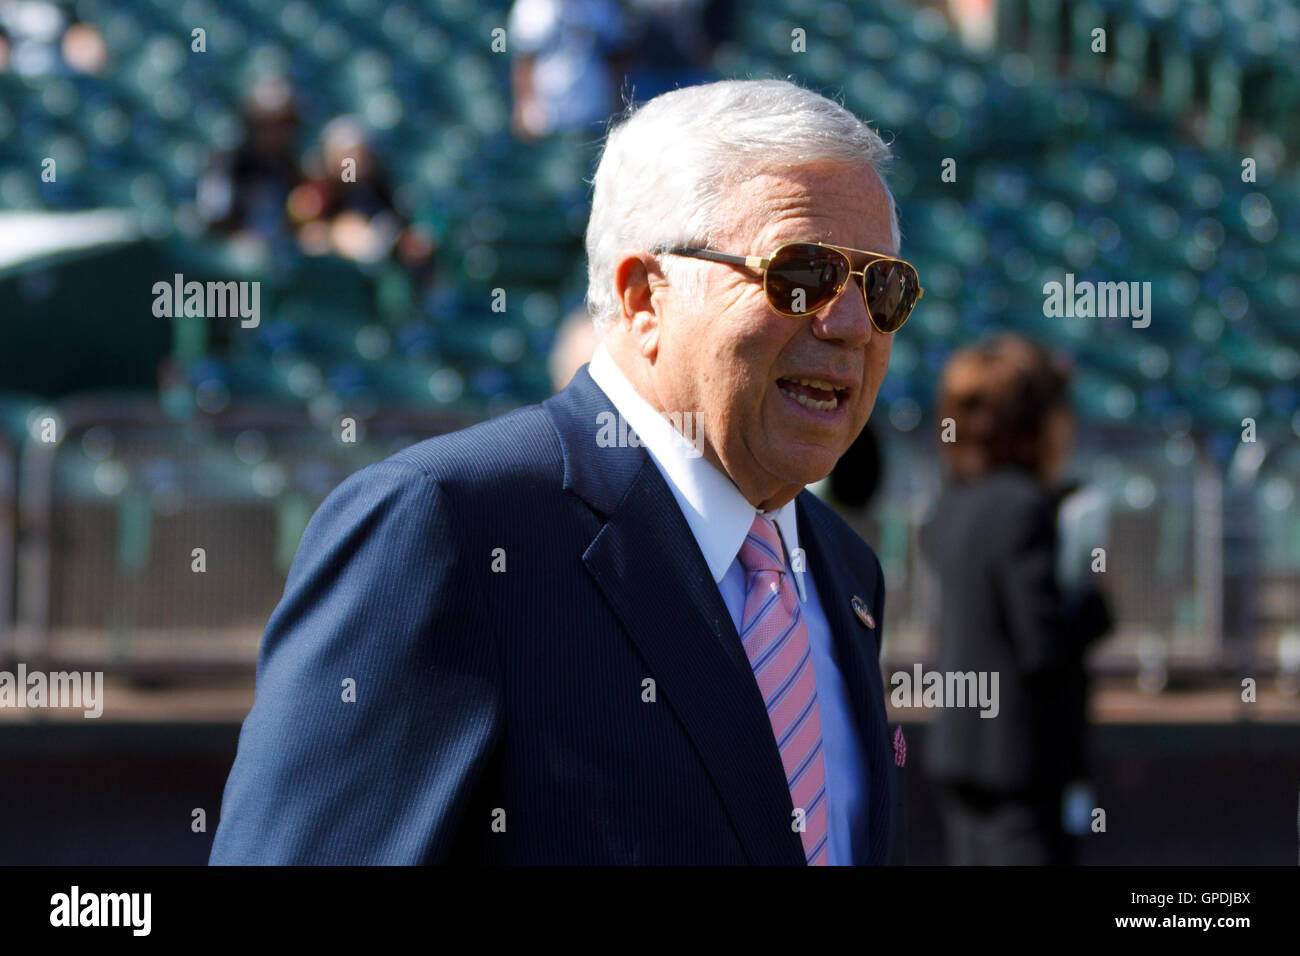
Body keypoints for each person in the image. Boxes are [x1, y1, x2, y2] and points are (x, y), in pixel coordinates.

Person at [209, 78, 925, 865]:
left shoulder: (843, 570)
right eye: (804, 275)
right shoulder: (445, 527)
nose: (853, 324)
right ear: (646, 296)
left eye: (882, 285)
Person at [919, 334, 1113, 865]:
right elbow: (1042, 644)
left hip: (959, 750)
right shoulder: (1026, 507)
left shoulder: (950, 508)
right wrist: (1097, 606)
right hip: (1022, 762)